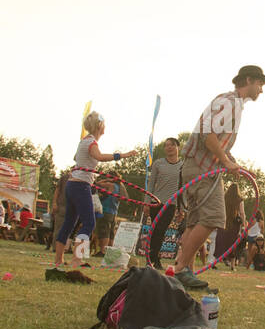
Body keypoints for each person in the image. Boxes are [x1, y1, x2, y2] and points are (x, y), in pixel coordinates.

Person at [171, 66, 265, 290]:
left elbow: (217, 141)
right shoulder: (231, 103)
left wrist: (234, 163)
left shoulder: (232, 103)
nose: (261, 90)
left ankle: (184, 272)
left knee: (195, 222)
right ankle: (181, 270)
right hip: (202, 169)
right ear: (248, 80)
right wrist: (225, 162)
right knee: (215, 216)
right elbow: (209, 136)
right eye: (260, 84)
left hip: (200, 168)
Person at [54, 112, 138, 267]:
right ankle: (76, 260)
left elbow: (77, 160)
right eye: (104, 124)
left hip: (73, 184)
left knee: (69, 223)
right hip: (81, 185)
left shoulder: (83, 141)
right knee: (89, 223)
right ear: (100, 126)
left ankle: (59, 259)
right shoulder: (91, 142)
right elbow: (98, 156)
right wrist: (123, 155)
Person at [146, 137, 183, 268]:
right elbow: (151, 184)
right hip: (156, 202)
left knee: (161, 230)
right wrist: (146, 202)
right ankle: (152, 258)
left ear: (178, 147)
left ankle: (153, 258)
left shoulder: (182, 166)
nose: (169, 147)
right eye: (166, 145)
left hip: (171, 204)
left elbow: (183, 189)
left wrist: (181, 208)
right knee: (154, 230)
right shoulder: (158, 163)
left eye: (172, 145)